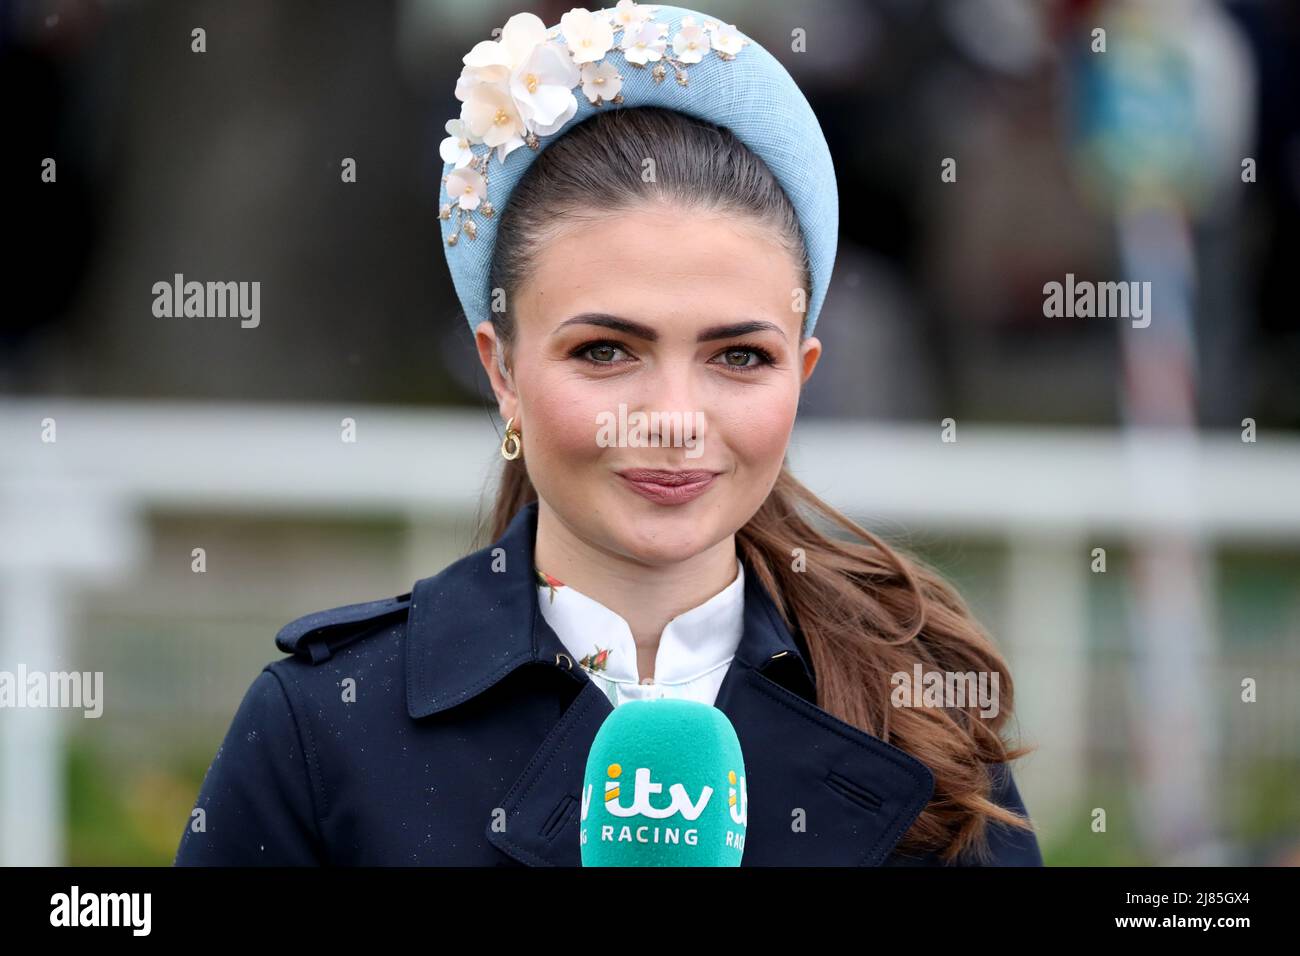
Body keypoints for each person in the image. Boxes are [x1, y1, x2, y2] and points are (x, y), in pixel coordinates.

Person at [175, 2, 1042, 867]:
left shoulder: (924, 726)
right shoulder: (325, 728)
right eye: (605, 350)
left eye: (739, 357)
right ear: (502, 371)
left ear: (802, 375)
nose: (671, 416)